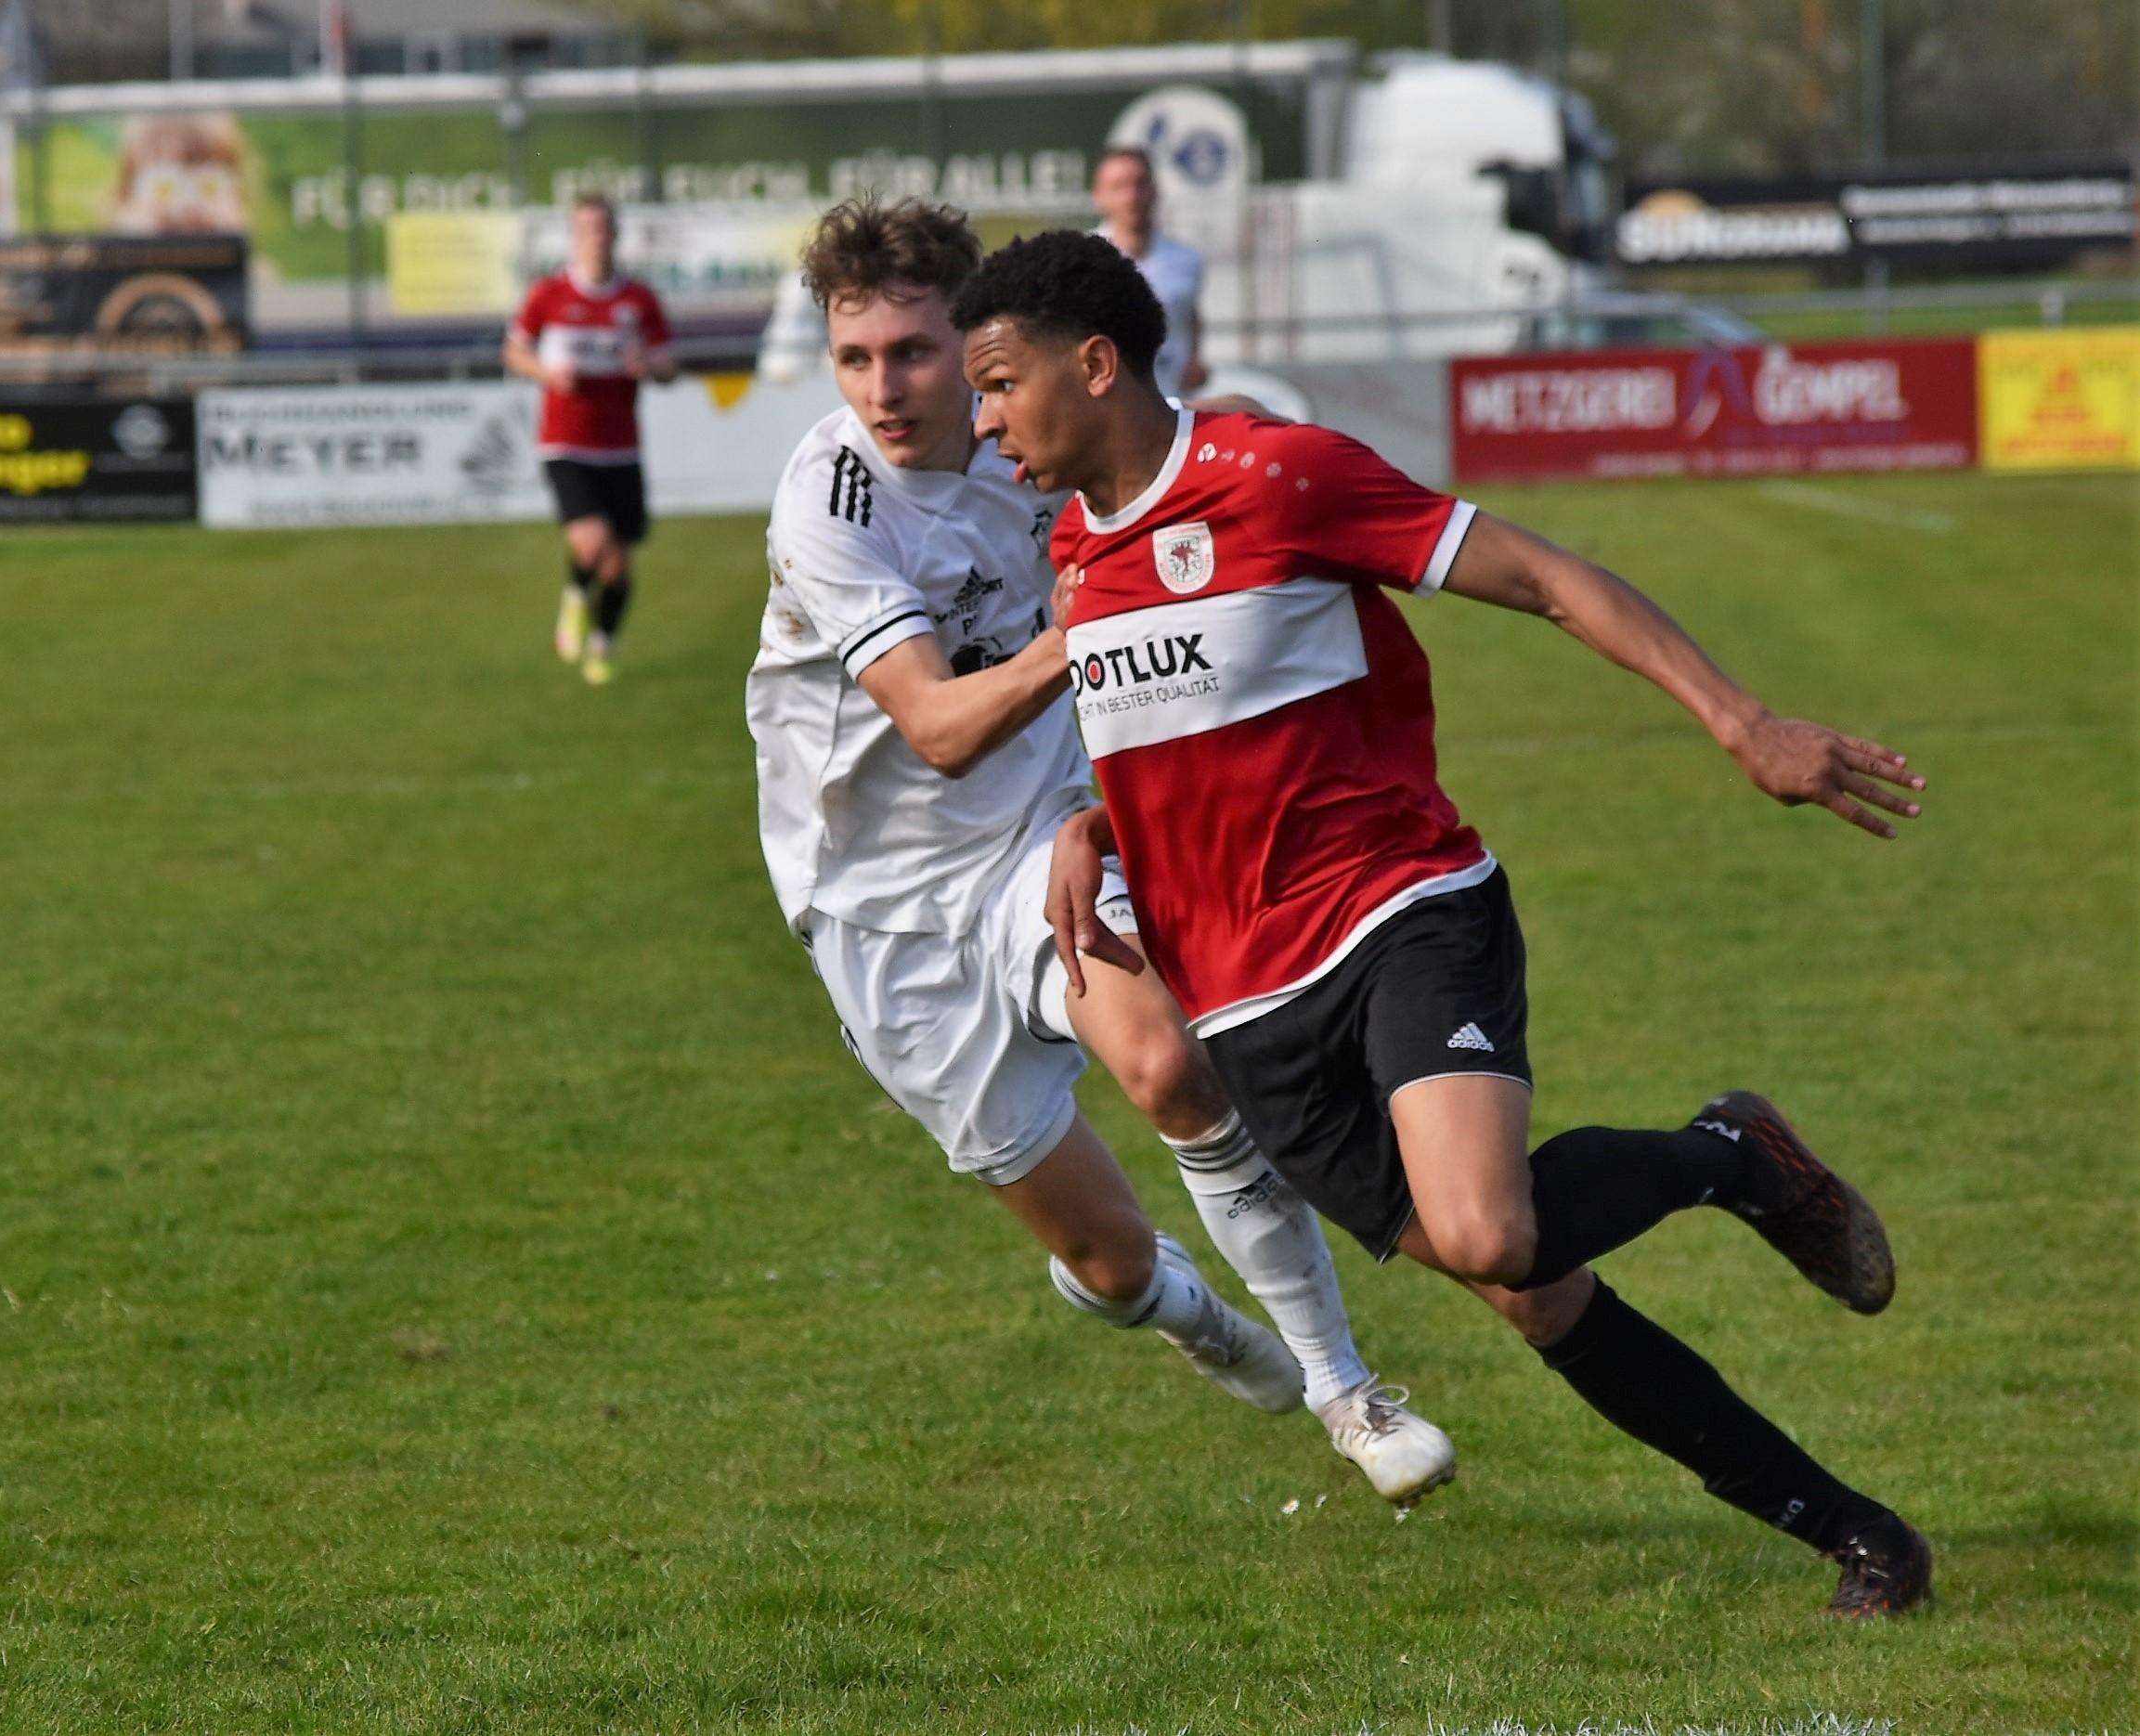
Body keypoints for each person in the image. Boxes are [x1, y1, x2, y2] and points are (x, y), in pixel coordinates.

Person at [949, 227, 1934, 1616]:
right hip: (1243, 1011)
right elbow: (1182, 735)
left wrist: (1741, 721)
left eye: (998, 384)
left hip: (1396, 910)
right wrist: (1088, 827)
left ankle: (1727, 1152)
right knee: (1535, 1292)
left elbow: (1541, 577)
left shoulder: (1278, 474)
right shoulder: (1072, 549)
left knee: (1484, 1231)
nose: (983, 420)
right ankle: (1863, 1537)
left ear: (1095, 363)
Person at [747, 197, 1458, 1504]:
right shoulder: (830, 498)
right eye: (853, 359)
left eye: (913, 352)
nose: (884, 389)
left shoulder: (1032, 439)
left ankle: (1345, 1392)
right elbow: (937, 726)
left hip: (1034, 835)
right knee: (1113, 1263)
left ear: (973, 340)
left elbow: (1168, 472)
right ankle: (1187, 1313)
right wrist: (1083, 633)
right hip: (874, 910)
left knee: (1170, 1064)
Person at [505, 195, 677, 686]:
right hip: (566, 443)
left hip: (621, 448)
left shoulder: (638, 300)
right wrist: (547, 373)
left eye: (603, 227)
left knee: (618, 567)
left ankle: (602, 643)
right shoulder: (549, 294)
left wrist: (649, 366)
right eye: (586, 228)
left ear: (616, 234)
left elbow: (670, 364)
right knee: (593, 541)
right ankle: (577, 598)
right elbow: (514, 352)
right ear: (574, 235)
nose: (596, 237)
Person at [1091, 148, 1208, 398]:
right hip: (1109, 403)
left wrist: (1195, 359)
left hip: (1172, 400)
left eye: (1139, 184)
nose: (1131, 196)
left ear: (1155, 190)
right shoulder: (1083, 258)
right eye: (1118, 187)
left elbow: (1190, 315)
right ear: (1099, 196)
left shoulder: (1187, 259)